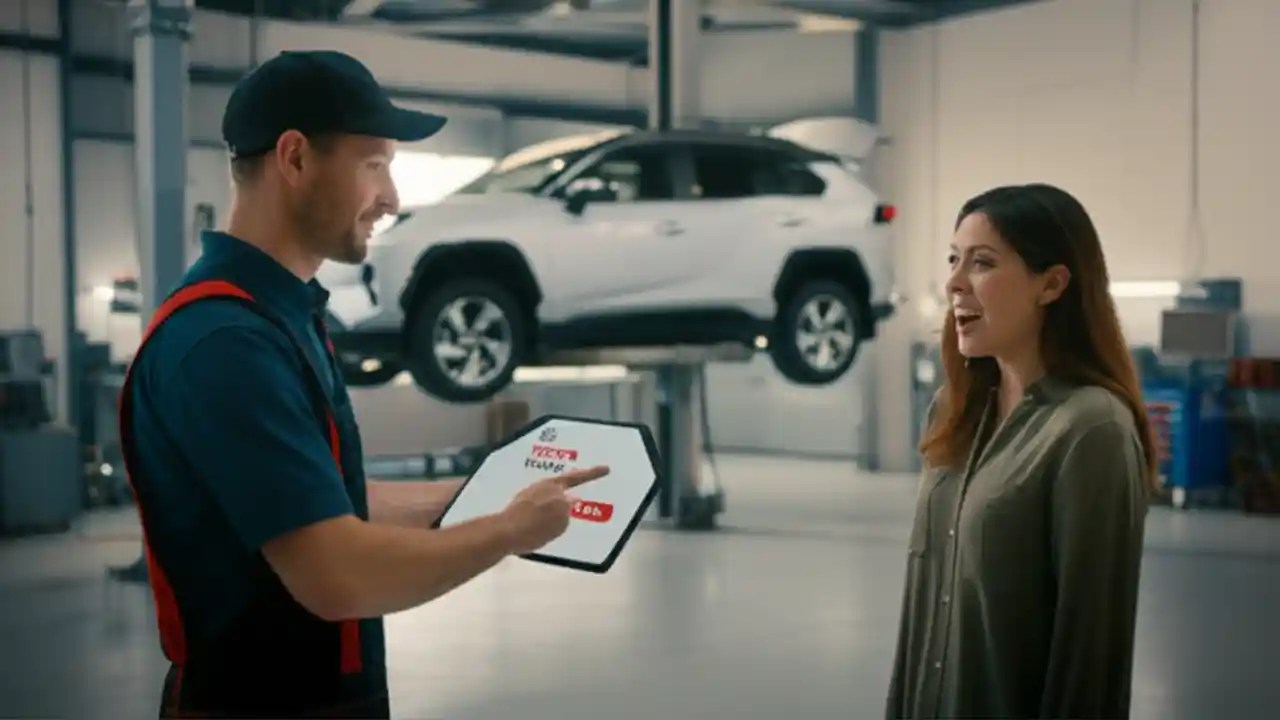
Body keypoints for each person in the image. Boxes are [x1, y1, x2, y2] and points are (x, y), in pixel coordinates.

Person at [119, 50, 608, 719]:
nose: (392, 199)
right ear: (294, 159)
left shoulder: (279, 316)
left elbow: (322, 499)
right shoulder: (225, 343)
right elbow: (337, 575)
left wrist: (494, 489)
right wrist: (507, 530)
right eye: (373, 164)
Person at [885, 183, 1156, 719]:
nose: (955, 283)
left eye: (982, 263)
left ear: (1051, 285)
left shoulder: (1089, 430)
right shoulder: (954, 411)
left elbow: (1089, 656)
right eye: (954, 260)